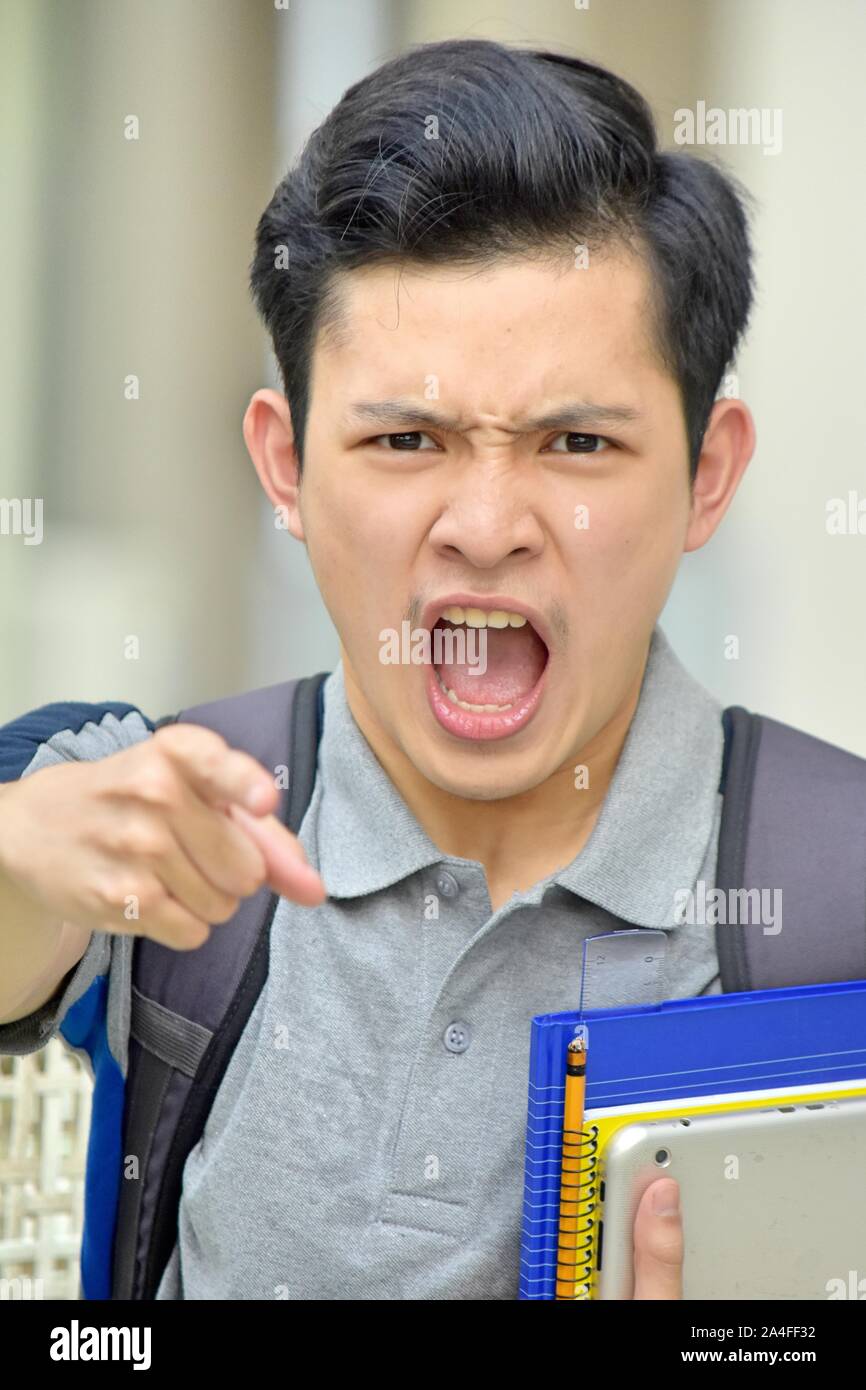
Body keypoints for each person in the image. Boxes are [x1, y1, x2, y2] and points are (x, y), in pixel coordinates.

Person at [0, 37, 756, 1300]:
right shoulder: (150, 811)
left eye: (575, 440)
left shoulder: (826, 894)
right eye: (406, 437)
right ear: (286, 467)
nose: (484, 521)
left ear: (705, 473)